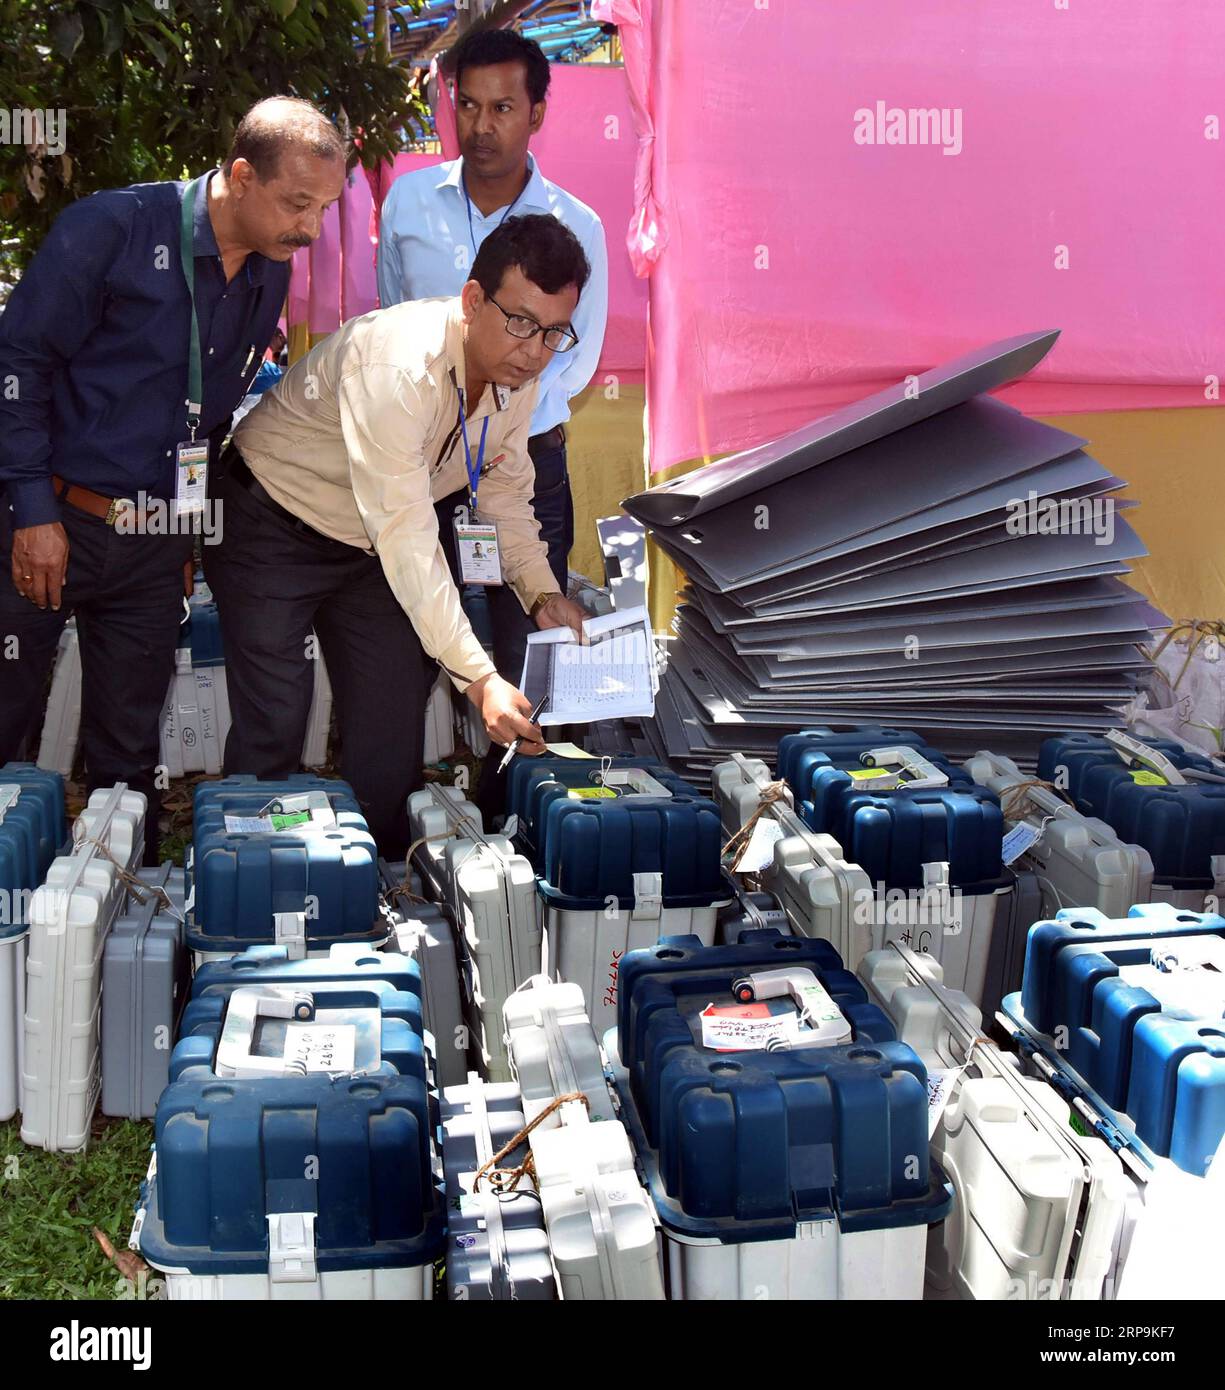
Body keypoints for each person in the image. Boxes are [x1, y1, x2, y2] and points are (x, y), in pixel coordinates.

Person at [0, 96, 346, 860]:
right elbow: (18, 363)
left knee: (127, 754)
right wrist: (30, 512)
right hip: (49, 519)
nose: (311, 228)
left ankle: (122, 918)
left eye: (324, 208)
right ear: (242, 175)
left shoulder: (268, 275)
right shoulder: (113, 229)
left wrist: (185, 527)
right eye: (297, 203)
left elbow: (209, 417)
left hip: (152, 543)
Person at [204, 213, 592, 855]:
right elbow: (410, 540)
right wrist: (478, 677)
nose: (534, 349)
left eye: (555, 333)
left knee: (390, 718)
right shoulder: (398, 367)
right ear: (473, 300)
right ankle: (246, 883)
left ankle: (380, 877)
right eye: (520, 322)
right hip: (269, 521)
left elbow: (503, 491)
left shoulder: (517, 372)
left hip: (367, 545)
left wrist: (541, 591)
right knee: (275, 717)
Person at [378, 28, 608, 599]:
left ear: (536, 114)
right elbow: (391, 320)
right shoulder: (407, 202)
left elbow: (575, 357)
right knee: (421, 641)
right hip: (423, 461)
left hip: (525, 460)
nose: (482, 126)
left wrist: (497, 414)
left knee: (529, 641)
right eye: (469, 105)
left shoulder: (578, 225)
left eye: (502, 108)